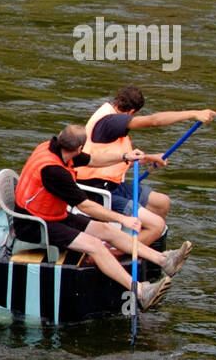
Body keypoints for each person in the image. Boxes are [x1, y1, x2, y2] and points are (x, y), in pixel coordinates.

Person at [14, 125, 193, 308]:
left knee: (106, 230)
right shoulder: (54, 171)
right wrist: (123, 219)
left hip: (51, 215)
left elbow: (93, 159)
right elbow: (86, 206)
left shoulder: (56, 149)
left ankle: (164, 261)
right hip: (34, 224)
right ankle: (140, 291)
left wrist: (125, 157)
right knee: (95, 246)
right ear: (79, 148)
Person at [74, 84, 216, 233]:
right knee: (157, 225)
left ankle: (145, 243)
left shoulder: (111, 120)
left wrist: (149, 158)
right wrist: (194, 114)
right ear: (131, 112)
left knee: (162, 203)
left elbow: (113, 160)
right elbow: (154, 121)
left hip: (111, 186)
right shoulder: (111, 122)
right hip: (96, 192)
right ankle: (122, 252)